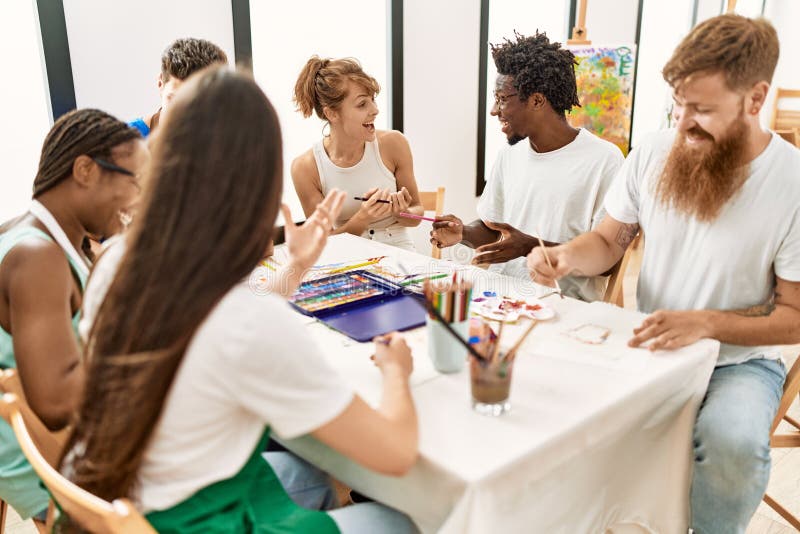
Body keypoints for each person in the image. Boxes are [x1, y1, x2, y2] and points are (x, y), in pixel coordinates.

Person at [62, 66, 419, 533]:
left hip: (131, 494)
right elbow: (394, 453)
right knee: (400, 520)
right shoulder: (247, 321)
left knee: (309, 471)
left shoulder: (115, 260)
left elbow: (212, 319)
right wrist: (397, 374)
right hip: (202, 519)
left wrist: (294, 267)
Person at [527, 15, 800, 533]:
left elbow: (794, 317)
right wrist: (565, 256)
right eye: (678, 104)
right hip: (648, 344)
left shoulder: (791, 182)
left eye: (701, 109)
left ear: (755, 98)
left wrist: (706, 323)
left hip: (738, 363)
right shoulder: (653, 151)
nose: (682, 122)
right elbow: (608, 242)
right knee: (552, 408)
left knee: (733, 446)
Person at [0, 109, 148, 524]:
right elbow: (56, 402)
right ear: (85, 170)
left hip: (40, 447)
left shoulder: (33, 235)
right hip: (48, 464)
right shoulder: (37, 257)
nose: (135, 197)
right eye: (131, 181)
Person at [429, 32, 623, 302]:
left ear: (536, 101)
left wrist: (529, 246)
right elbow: (495, 229)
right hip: (498, 299)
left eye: (501, 99)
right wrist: (462, 232)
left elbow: (609, 263)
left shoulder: (605, 161)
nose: (494, 111)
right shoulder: (510, 155)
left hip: (563, 306)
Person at [291, 55, 423, 251]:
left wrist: (402, 212)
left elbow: (417, 213)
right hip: (346, 255)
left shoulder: (394, 143)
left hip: (399, 249)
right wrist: (363, 218)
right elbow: (321, 242)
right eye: (362, 104)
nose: (375, 110)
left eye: (373, 100)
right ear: (331, 114)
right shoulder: (305, 168)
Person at [129, 37, 228, 137]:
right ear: (160, 83)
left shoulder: (233, 142)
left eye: (199, 104)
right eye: (175, 101)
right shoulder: (125, 142)